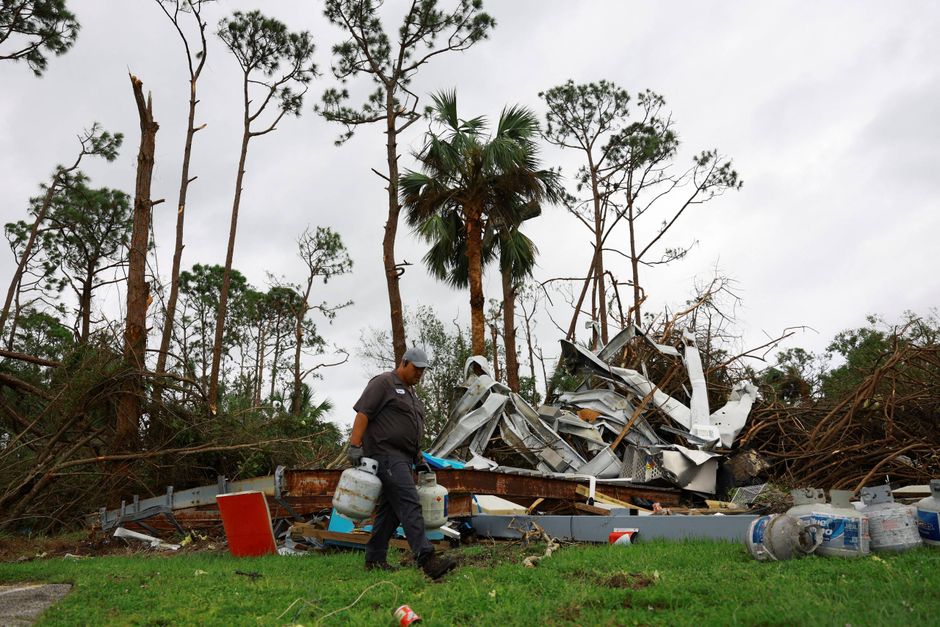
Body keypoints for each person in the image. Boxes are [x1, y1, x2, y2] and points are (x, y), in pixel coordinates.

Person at [347, 347, 457, 579]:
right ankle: (427, 560)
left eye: (423, 371)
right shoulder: (384, 383)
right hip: (385, 455)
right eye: (416, 369)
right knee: (409, 502)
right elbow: (363, 413)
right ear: (404, 363)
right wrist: (355, 444)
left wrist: (419, 458)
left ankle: (375, 558)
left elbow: (409, 431)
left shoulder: (411, 395)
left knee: (390, 512)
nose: (420, 374)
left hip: (405, 459)